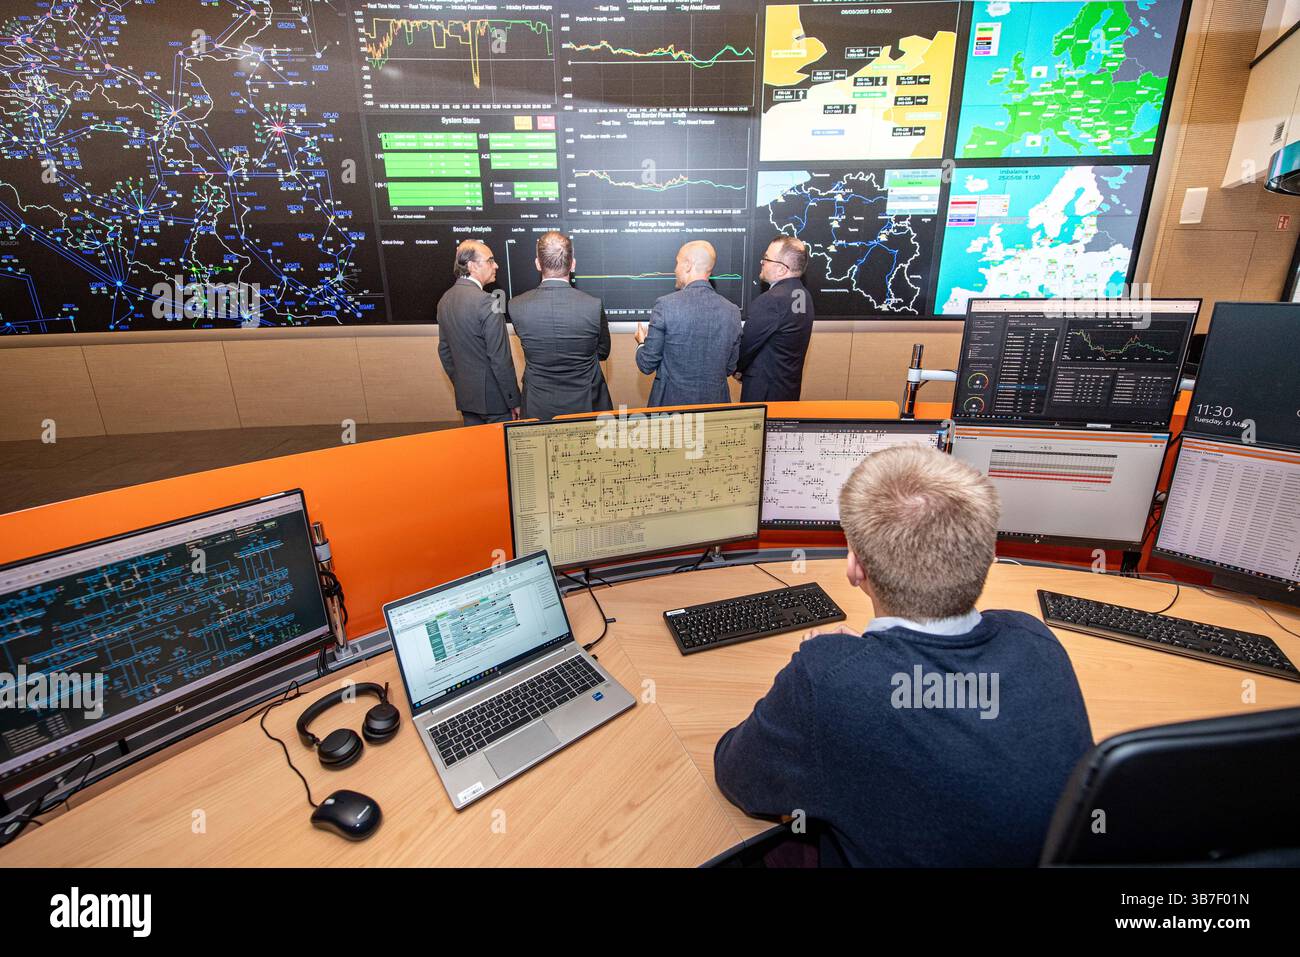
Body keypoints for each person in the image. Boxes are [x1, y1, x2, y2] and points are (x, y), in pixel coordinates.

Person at [713, 445, 1094, 866]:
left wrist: (837, 667)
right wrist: (859, 666)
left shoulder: (829, 681)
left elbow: (737, 776)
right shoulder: (1035, 640)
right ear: (988, 559)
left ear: (855, 566)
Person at [506, 231, 613, 420]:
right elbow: (603, 352)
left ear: (538, 264)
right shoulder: (593, 305)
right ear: (573, 264)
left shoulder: (516, 305)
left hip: (538, 405)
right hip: (586, 402)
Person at [633, 240, 741, 407]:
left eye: (677, 263)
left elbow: (646, 364)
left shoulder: (665, 305)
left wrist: (641, 342)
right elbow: (729, 368)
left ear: (688, 265)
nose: (675, 269)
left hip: (671, 412)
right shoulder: (732, 311)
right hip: (714, 410)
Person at [436, 240, 520, 425]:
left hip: (467, 400)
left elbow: (444, 351)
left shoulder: (445, 300)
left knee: (476, 452)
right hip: (496, 402)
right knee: (498, 453)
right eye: (490, 260)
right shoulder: (490, 302)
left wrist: (462, 383)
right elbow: (500, 358)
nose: (496, 265)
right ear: (472, 266)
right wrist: (514, 401)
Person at [735, 236, 815, 402]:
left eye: (766, 258)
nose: (762, 262)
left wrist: (736, 368)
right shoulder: (803, 295)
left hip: (764, 392)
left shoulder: (771, 300)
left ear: (781, 269)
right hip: (788, 390)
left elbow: (746, 345)